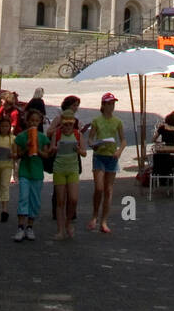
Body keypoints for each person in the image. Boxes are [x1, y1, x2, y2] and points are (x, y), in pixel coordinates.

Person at [86, 93, 125, 234]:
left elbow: (123, 140)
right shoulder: (96, 120)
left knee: (108, 190)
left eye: (113, 104)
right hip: (99, 156)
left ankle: (104, 221)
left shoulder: (117, 121)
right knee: (99, 188)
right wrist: (93, 145)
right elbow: (90, 139)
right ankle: (94, 216)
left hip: (111, 157)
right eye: (109, 104)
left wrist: (119, 151)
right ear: (103, 105)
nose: (111, 106)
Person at [12, 107, 50, 241]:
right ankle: (20, 226)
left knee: (35, 200)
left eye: (36, 121)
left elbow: (46, 155)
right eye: (31, 121)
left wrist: (38, 150)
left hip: (37, 172)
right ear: (27, 121)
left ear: (40, 122)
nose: (34, 123)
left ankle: (30, 226)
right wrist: (26, 148)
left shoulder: (43, 138)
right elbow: (16, 155)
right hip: (24, 171)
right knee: (23, 197)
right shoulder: (21, 137)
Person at [49, 109, 86, 239]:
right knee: (60, 200)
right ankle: (60, 230)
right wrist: (55, 148)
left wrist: (78, 149)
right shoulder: (57, 134)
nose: (67, 128)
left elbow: (84, 152)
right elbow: (50, 151)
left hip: (72, 169)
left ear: (73, 124)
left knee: (73, 199)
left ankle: (68, 222)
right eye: (65, 125)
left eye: (70, 125)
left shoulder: (77, 135)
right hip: (59, 168)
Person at [49, 95, 81, 220]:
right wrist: (60, 128)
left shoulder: (75, 119)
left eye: (77, 106)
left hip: (73, 154)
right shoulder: (59, 118)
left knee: (72, 188)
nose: (76, 108)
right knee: (59, 189)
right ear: (67, 106)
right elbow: (49, 132)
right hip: (60, 156)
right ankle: (57, 213)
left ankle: (71, 213)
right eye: (74, 105)